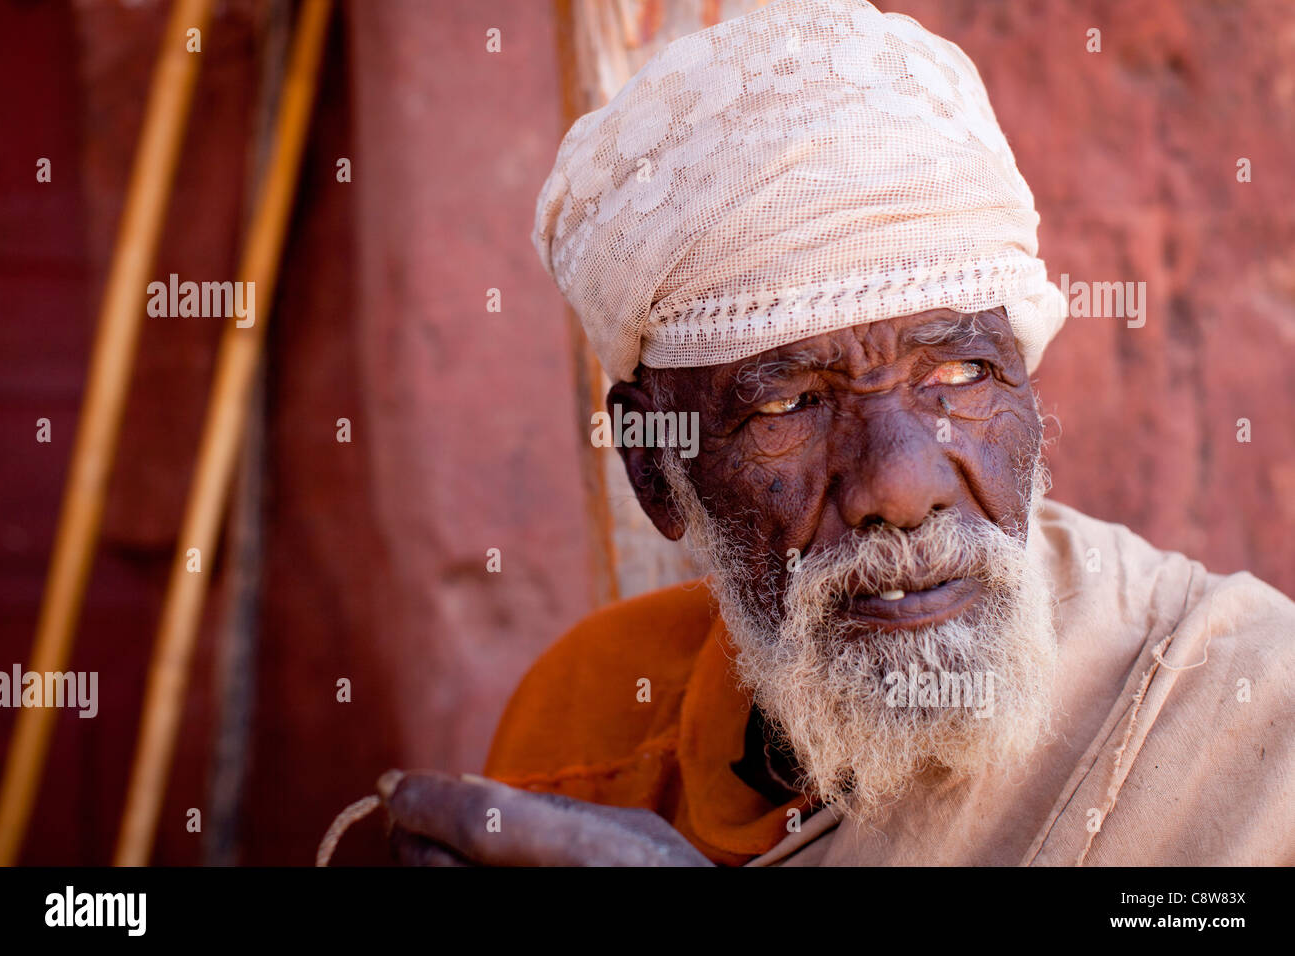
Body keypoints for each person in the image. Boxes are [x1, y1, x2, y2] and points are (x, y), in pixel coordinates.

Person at [372, 0, 1295, 866]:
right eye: (788, 407)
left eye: (960, 374)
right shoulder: (588, 729)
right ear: (655, 470)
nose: (900, 485)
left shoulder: (1249, 718)